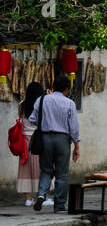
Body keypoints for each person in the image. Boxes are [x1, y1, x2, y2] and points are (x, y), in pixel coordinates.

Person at [31, 75, 80, 213]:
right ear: (67, 88)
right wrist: (77, 146)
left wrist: (46, 123)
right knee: (62, 173)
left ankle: (41, 194)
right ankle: (59, 206)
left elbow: (33, 119)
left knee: (46, 170)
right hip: (62, 140)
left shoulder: (41, 100)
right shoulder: (69, 103)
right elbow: (74, 127)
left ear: (53, 86)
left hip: (45, 139)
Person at [16, 81, 43, 206]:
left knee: (25, 168)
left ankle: (27, 198)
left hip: (24, 140)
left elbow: (20, 119)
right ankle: (42, 196)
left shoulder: (22, 105)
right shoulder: (40, 105)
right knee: (40, 167)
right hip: (36, 139)